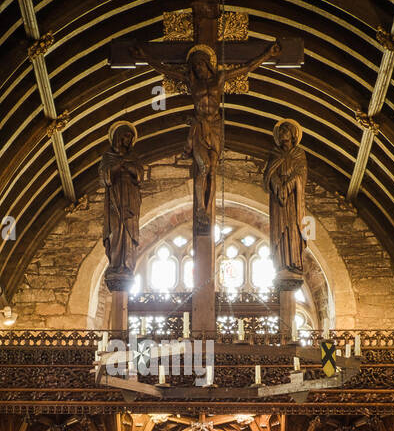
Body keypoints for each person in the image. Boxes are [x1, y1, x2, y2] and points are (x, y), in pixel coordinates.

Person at [133, 39, 281, 232]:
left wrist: (268, 55)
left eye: (200, 65)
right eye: (195, 66)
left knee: (213, 170)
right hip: (200, 126)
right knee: (203, 168)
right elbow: (166, 71)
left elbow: (246, 68)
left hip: (216, 126)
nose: (198, 69)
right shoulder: (192, 81)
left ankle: (209, 208)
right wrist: (145, 57)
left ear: (207, 64)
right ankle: (202, 210)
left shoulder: (219, 78)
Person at [99, 120, 145, 276]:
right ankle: (116, 263)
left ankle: (127, 264)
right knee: (116, 230)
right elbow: (105, 177)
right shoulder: (108, 156)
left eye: (131, 137)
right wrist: (118, 166)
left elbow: (139, 176)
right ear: (118, 137)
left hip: (130, 199)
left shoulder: (133, 157)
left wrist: (128, 166)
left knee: (129, 230)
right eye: (126, 136)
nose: (129, 140)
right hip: (115, 198)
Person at [263, 119, 307, 275]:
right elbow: (269, 173)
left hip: (293, 198)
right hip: (278, 199)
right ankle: (281, 261)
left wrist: (287, 187)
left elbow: (301, 174)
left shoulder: (299, 154)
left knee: (293, 227)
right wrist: (278, 186)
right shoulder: (274, 153)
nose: (282, 134)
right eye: (280, 131)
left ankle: (294, 260)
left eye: (285, 131)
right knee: (279, 228)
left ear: (293, 134)